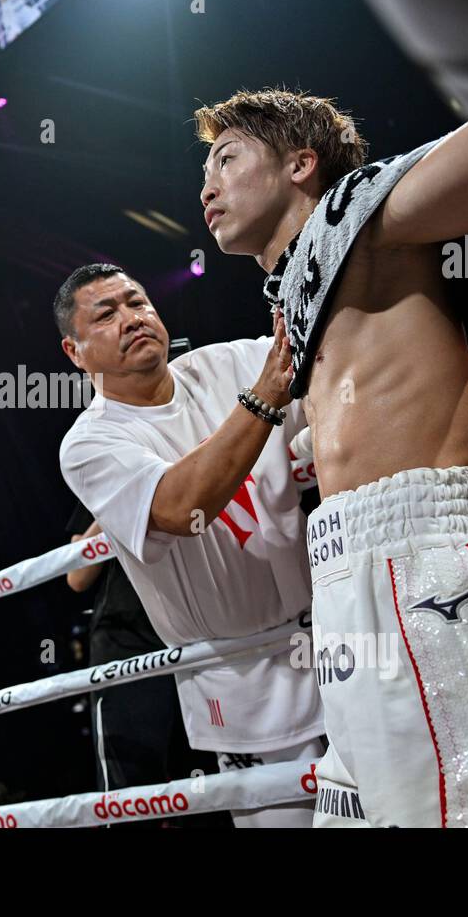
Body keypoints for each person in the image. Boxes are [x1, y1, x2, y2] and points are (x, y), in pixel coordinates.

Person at [196, 88, 468, 826]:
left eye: (226, 158)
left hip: (427, 578)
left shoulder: (363, 214)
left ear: (301, 163)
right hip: (347, 594)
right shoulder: (302, 284)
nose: (206, 186)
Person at [57, 263, 323, 827]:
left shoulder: (229, 364)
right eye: (106, 315)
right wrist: (267, 397)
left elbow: (322, 359)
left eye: (137, 301)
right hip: (239, 676)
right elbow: (182, 508)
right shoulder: (90, 442)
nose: (131, 319)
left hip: (329, 639)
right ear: (74, 352)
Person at [65, 505, 222, 826]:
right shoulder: (104, 470)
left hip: (201, 629)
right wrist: (116, 498)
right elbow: (77, 576)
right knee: (131, 787)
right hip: (129, 643)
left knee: (212, 779)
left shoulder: (190, 460)